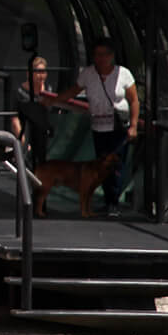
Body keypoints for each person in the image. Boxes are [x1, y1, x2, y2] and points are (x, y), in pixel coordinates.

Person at [44, 39, 140, 215]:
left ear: (111, 56)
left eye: (105, 55)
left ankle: (113, 202)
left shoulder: (123, 74)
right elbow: (73, 91)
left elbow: (134, 100)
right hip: (99, 126)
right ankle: (106, 200)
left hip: (118, 126)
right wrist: (54, 100)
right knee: (100, 165)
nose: (101, 58)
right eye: (97, 55)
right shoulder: (88, 74)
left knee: (115, 164)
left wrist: (133, 125)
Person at [9, 56, 52, 168]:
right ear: (29, 74)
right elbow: (14, 119)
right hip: (27, 137)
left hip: (45, 139)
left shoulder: (49, 90)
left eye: (43, 72)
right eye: (38, 72)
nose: (41, 75)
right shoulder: (19, 92)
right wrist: (23, 141)